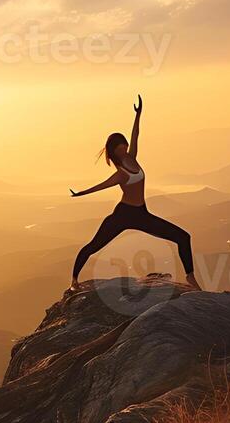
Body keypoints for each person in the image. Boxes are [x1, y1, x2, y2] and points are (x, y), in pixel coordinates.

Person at [69, 95, 201, 292]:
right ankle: (73, 280)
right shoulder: (121, 173)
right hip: (123, 215)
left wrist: (138, 114)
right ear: (114, 151)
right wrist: (80, 193)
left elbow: (136, 135)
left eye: (123, 143)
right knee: (93, 246)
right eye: (119, 146)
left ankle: (190, 278)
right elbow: (101, 185)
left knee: (183, 237)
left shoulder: (133, 158)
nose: (123, 146)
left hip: (142, 214)